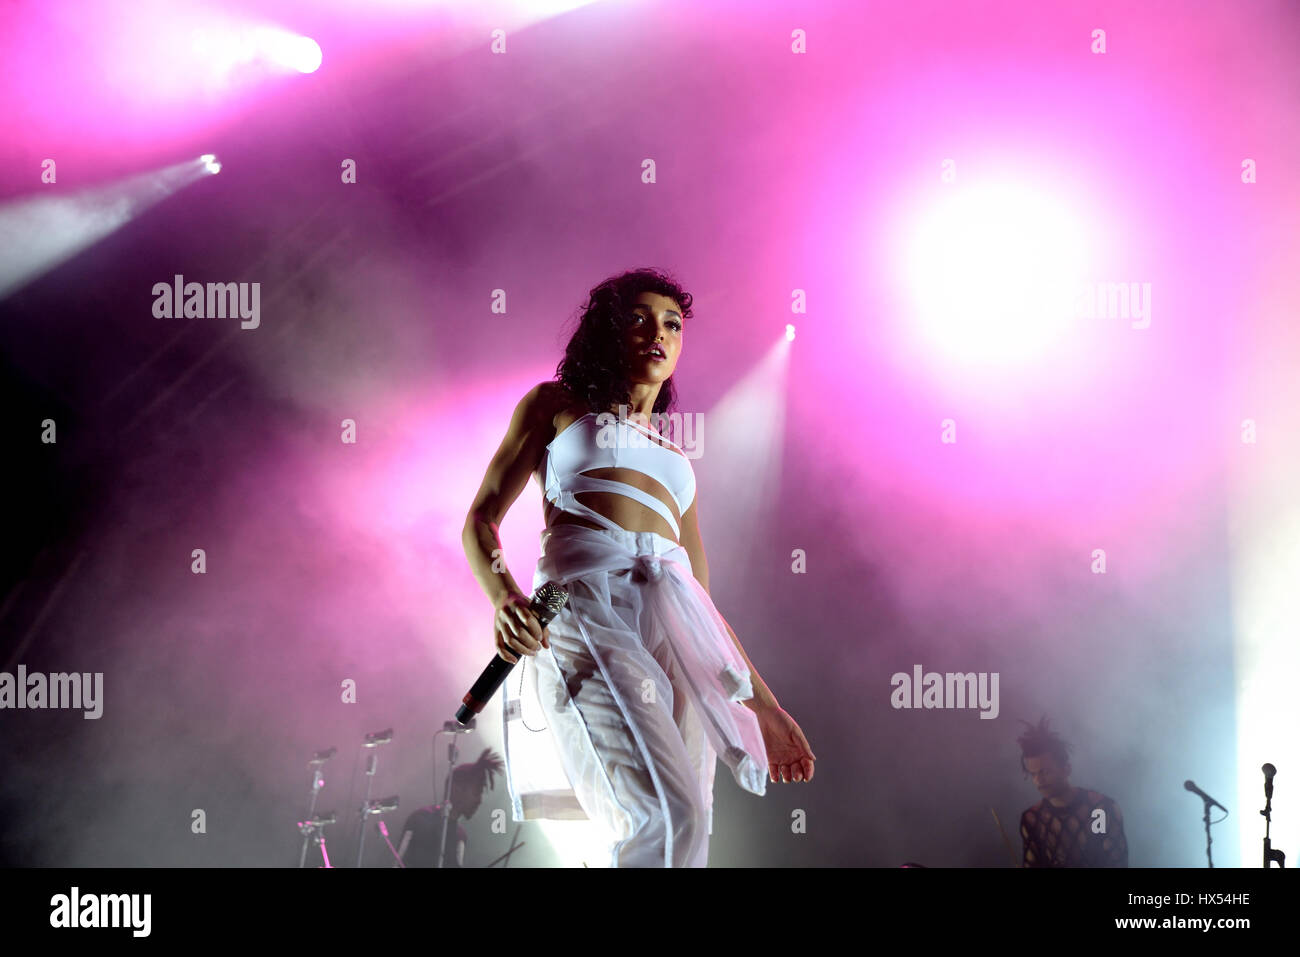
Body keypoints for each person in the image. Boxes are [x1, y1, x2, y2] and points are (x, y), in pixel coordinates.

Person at [462, 268, 816, 867]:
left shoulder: (678, 462)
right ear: (607, 331)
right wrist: (504, 598)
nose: (659, 332)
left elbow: (701, 607)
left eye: (672, 324)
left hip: (673, 635)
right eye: (639, 318)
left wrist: (763, 706)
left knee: (692, 819)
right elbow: (481, 519)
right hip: (584, 612)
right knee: (664, 814)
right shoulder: (556, 406)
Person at [1016, 716, 1128, 867]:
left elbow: (1115, 862)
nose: (1038, 780)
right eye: (1033, 774)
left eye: (1045, 772)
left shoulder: (1100, 809)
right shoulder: (1032, 819)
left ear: (1066, 769)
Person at [397, 748, 503, 867]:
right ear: (457, 789)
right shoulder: (420, 819)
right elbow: (397, 863)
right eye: (476, 792)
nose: (479, 800)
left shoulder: (460, 835)